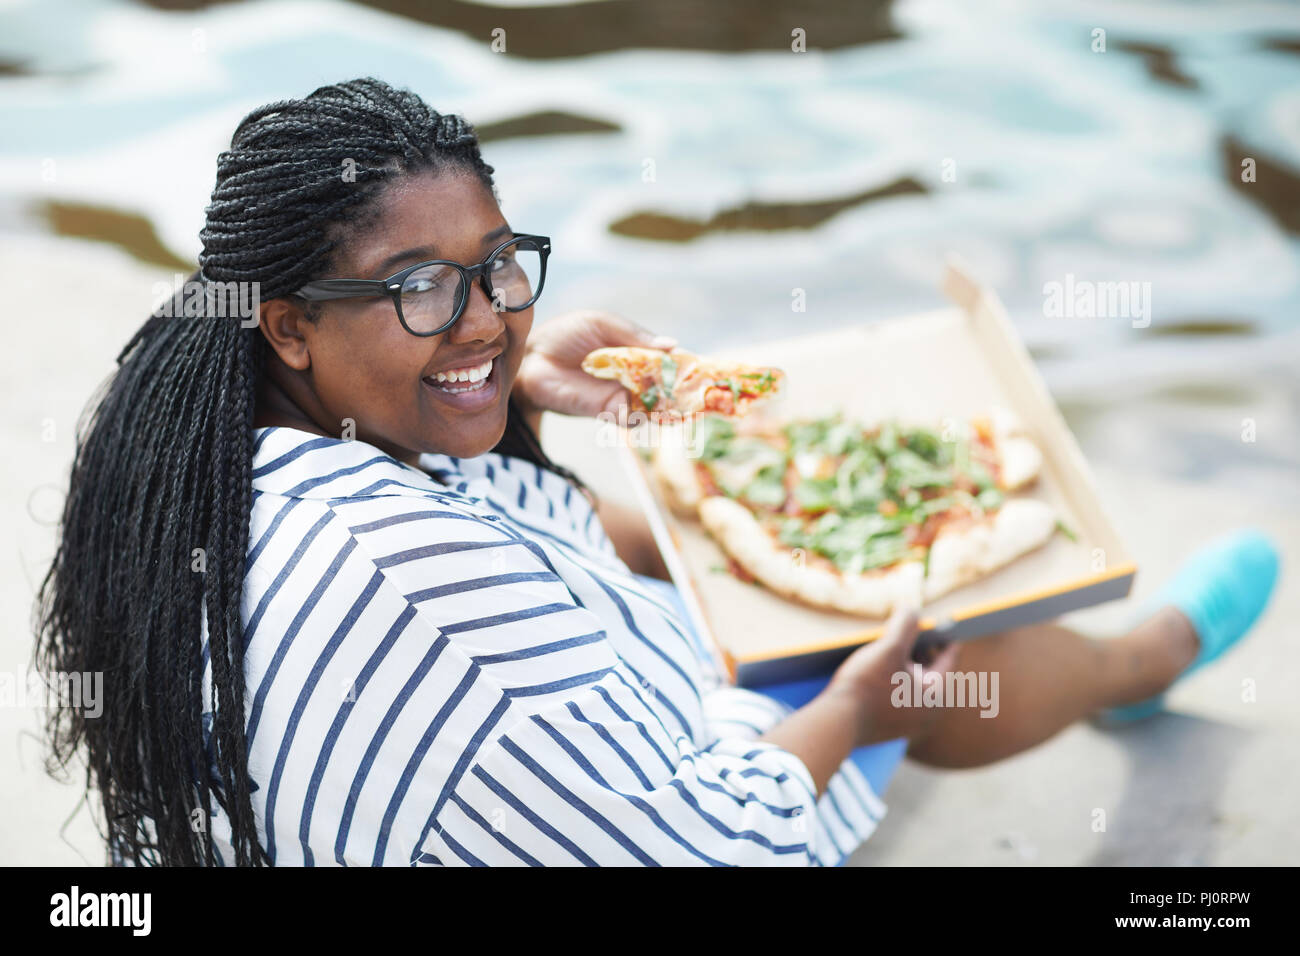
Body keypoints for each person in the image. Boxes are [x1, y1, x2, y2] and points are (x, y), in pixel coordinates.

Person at [35, 77, 1280, 867]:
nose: (482, 317)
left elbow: (527, 530)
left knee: (705, 567)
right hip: (640, 806)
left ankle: (1083, 651)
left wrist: (504, 390)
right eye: (420, 288)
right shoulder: (437, 608)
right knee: (904, 649)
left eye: (498, 266)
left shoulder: (212, 454)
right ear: (292, 324)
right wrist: (853, 703)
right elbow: (715, 844)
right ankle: (1147, 656)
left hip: (422, 795)